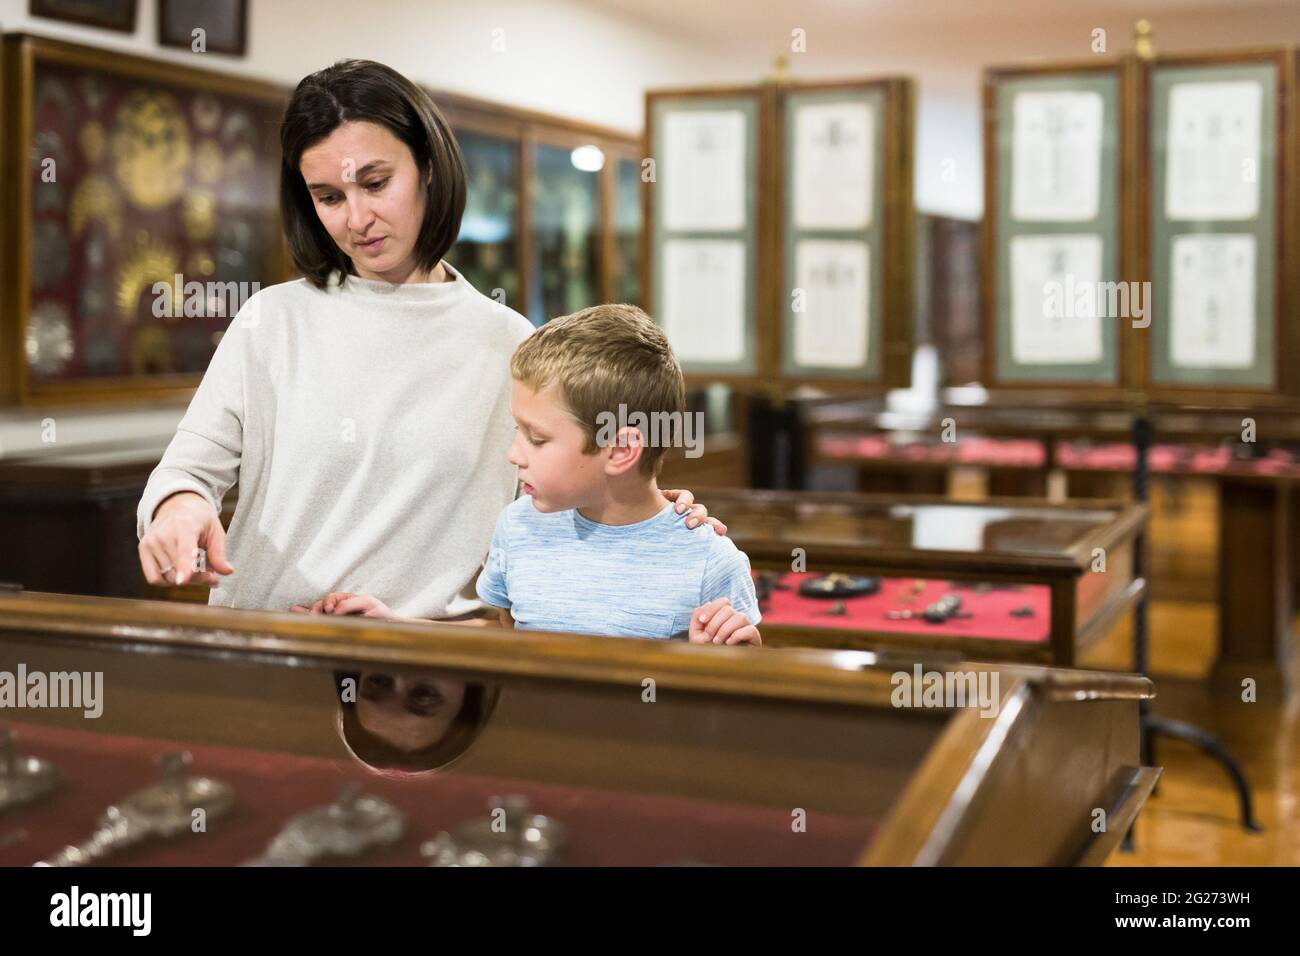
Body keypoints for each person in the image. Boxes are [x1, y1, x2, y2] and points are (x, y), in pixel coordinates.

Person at [135, 59, 723, 621]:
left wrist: (648, 514)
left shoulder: (508, 342)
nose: (356, 218)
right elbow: (186, 472)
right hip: (268, 655)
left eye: (376, 183)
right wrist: (178, 509)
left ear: (430, 169)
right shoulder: (271, 321)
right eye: (329, 197)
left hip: (430, 681)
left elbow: (557, 521)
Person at [324, 304, 762, 646]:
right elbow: (508, 641)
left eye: (536, 438)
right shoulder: (517, 526)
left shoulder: (710, 562)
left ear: (621, 449)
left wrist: (726, 656)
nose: (514, 453)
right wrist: (395, 627)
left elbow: (741, 698)